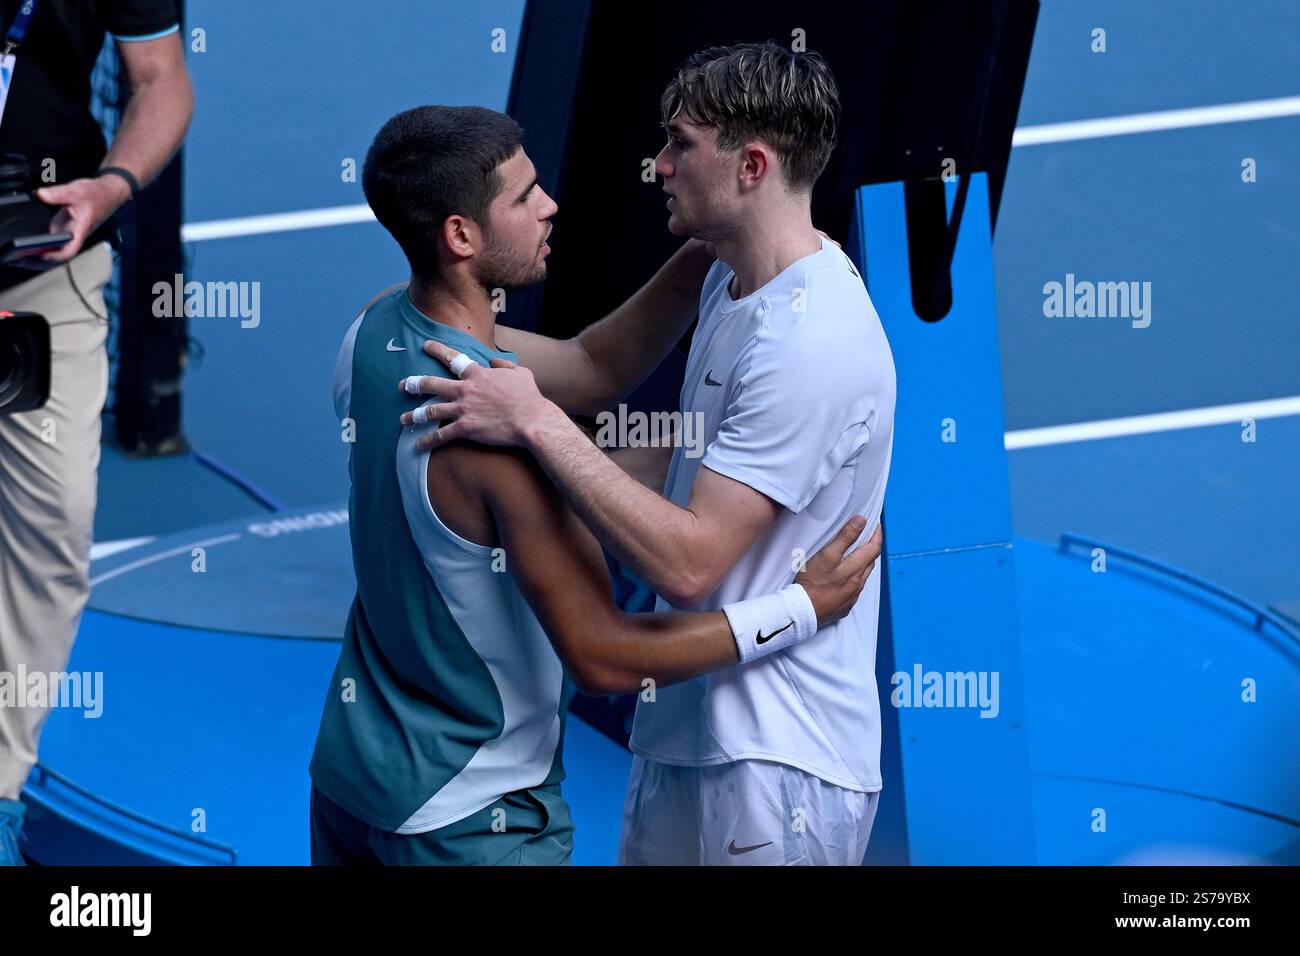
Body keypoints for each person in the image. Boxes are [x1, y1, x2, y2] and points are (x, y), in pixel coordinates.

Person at [307, 105, 881, 866]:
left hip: (352, 781)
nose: (549, 205)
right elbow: (605, 655)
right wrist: (797, 611)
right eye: (523, 196)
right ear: (461, 237)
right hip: (473, 820)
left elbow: (591, 368)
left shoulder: (374, 332)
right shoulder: (505, 450)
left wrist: (713, 247)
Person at [0, 0, 193, 866]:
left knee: (51, 535)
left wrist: (110, 187)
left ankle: (0, 791)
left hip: (46, 260)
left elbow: (160, 79)